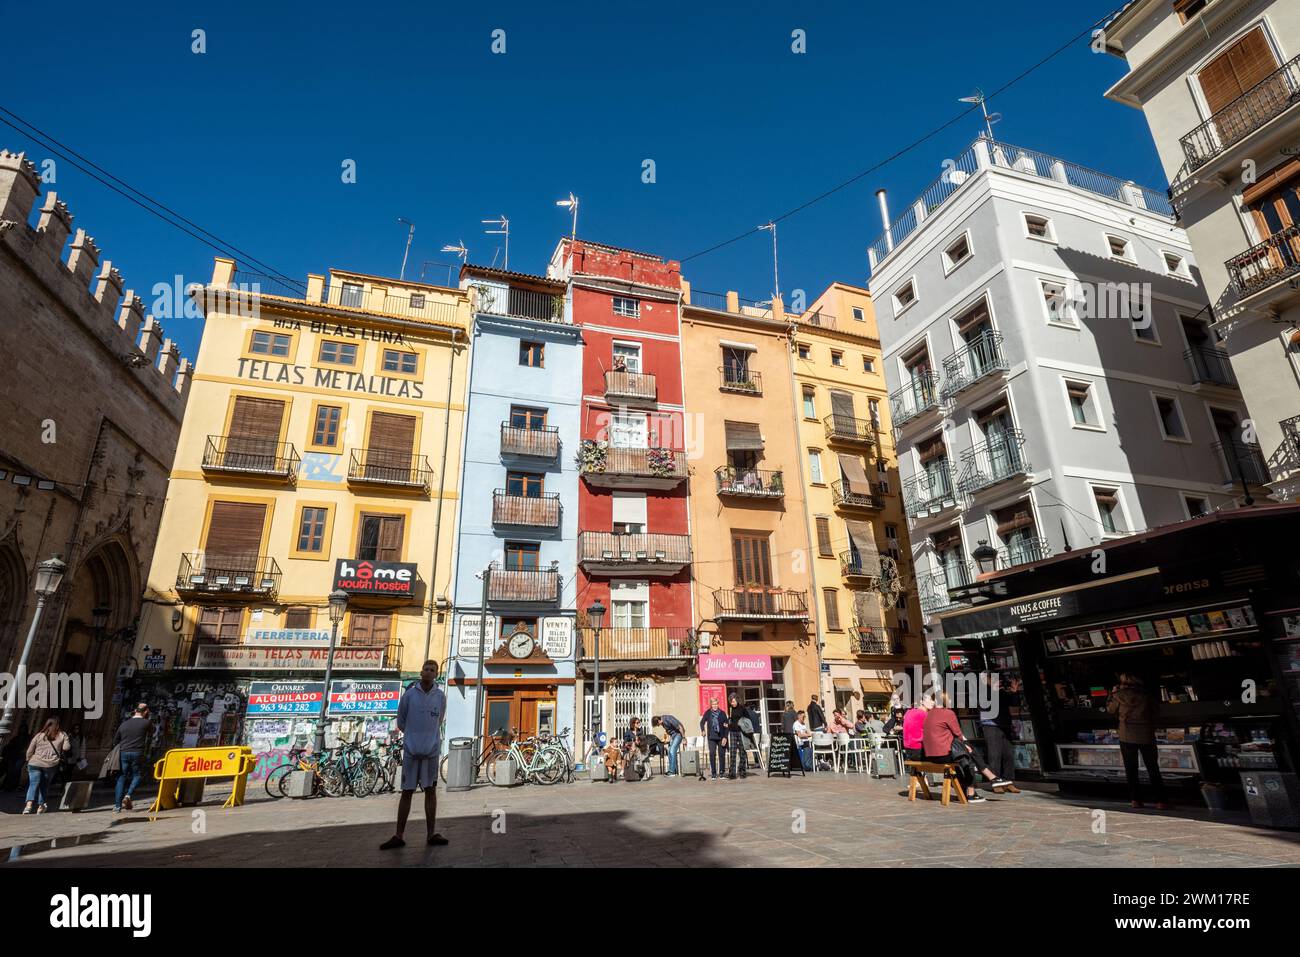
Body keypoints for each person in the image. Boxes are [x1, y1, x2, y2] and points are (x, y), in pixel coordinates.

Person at [381, 660, 448, 850]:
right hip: (411, 749)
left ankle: (431, 833)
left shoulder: (441, 697)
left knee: (431, 791)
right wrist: (413, 737)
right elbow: (401, 721)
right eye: (426, 669)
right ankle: (399, 834)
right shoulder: (409, 695)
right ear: (421, 672)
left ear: (436, 674)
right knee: (407, 792)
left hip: (432, 750)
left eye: (432, 670)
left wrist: (429, 739)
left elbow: (439, 720)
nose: (428, 672)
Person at [922, 692, 1013, 802]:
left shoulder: (929, 714)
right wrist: (966, 746)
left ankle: (990, 778)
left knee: (965, 754)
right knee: (968, 756)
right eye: (950, 700)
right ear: (946, 701)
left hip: (931, 756)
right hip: (943, 755)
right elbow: (958, 734)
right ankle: (975, 789)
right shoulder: (947, 713)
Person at [1108, 673, 1171, 810]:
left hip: (1126, 736)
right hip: (1146, 736)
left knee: (1131, 769)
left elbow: (1110, 710)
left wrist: (1112, 694)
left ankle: (1136, 800)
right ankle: (1161, 801)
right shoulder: (1146, 696)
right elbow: (1156, 711)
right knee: (1153, 769)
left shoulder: (1118, 696)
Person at [979, 674, 1020, 794]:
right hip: (990, 725)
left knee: (1008, 754)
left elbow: (1014, 703)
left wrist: (1014, 691)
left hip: (1005, 724)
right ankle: (995, 782)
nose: (995, 680)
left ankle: (1008, 781)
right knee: (994, 755)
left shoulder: (1000, 691)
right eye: (991, 678)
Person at [23, 718, 69, 814]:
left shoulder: (39, 735)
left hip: (35, 763)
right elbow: (66, 748)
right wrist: (65, 737)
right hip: (50, 764)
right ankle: (40, 806)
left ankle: (28, 806)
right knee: (44, 785)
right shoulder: (61, 735)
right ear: (57, 726)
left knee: (33, 784)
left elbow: (30, 750)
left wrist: (28, 760)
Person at [113, 702, 152, 812]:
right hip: (137, 752)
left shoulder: (124, 724)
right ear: (145, 712)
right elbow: (151, 735)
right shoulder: (146, 723)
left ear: (135, 711)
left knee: (121, 778)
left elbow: (115, 740)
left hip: (123, 752)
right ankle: (128, 795)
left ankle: (117, 806)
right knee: (137, 775)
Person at [700, 700, 729, 780]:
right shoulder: (708, 713)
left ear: (718, 704)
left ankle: (722, 772)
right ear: (711, 705)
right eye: (713, 704)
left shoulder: (722, 713)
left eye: (716, 704)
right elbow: (702, 722)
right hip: (711, 737)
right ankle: (713, 773)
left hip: (721, 737)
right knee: (712, 753)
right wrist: (703, 730)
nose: (715, 706)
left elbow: (726, 727)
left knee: (721, 754)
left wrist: (725, 737)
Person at [2, 722, 31, 790]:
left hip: (21, 756)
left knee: (16, 770)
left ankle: (13, 785)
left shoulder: (28, 738)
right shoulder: (16, 738)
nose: (22, 730)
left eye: (24, 729)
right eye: (21, 729)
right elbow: (10, 745)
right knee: (11, 770)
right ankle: (8, 785)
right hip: (14, 756)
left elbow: (28, 746)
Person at [726, 694, 749, 780]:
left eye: (734, 701)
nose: (732, 703)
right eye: (731, 702)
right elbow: (730, 719)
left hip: (741, 732)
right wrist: (728, 723)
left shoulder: (742, 708)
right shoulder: (731, 709)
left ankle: (742, 771)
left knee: (742, 752)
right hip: (732, 732)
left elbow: (748, 720)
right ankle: (732, 773)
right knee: (733, 752)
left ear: (737, 700)